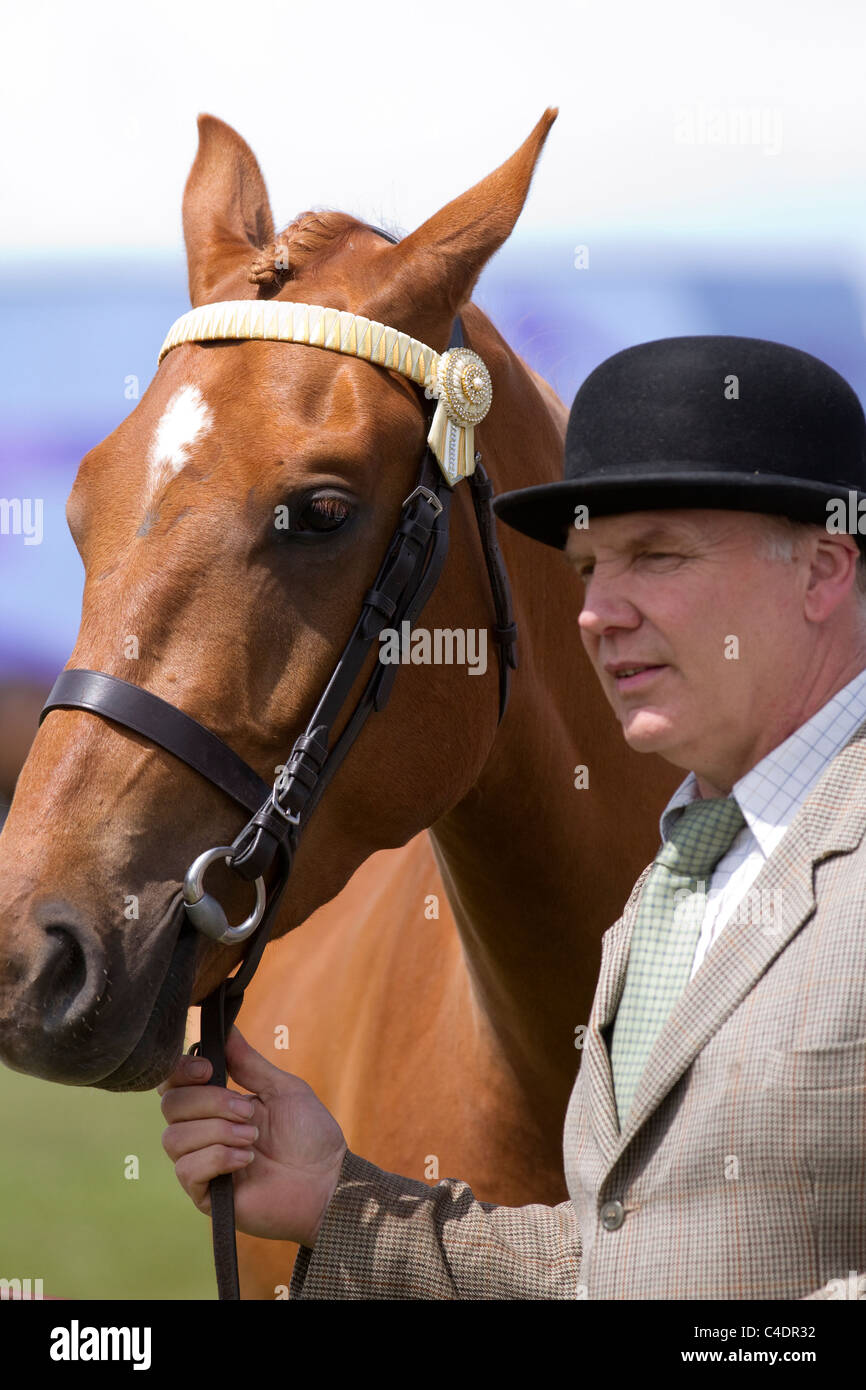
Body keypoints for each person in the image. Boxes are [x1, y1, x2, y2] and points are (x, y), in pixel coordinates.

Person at [159, 334, 866, 1300]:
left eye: (655, 557)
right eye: (584, 570)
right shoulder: (669, 885)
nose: (596, 614)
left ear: (825, 570)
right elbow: (618, 1264)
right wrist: (335, 1199)